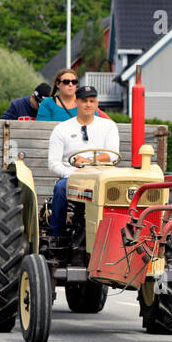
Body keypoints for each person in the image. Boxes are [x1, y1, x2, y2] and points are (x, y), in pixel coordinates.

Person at [47, 85, 119, 238]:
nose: (88, 104)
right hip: (72, 176)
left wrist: (89, 161)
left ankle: (113, 233)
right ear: (76, 102)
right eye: (84, 100)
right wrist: (73, 174)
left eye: (92, 101)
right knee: (60, 188)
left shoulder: (108, 126)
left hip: (102, 176)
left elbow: (112, 155)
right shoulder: (62, 129)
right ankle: (56, 235)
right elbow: (53, 163)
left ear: (97, 103)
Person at [37, 68, 109, 121]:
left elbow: (97, 125)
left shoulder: (86, 102)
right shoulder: (47, 103)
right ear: (58, 84)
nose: (70, 84)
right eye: (66, 81)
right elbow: (44, 130)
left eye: (74, 82)